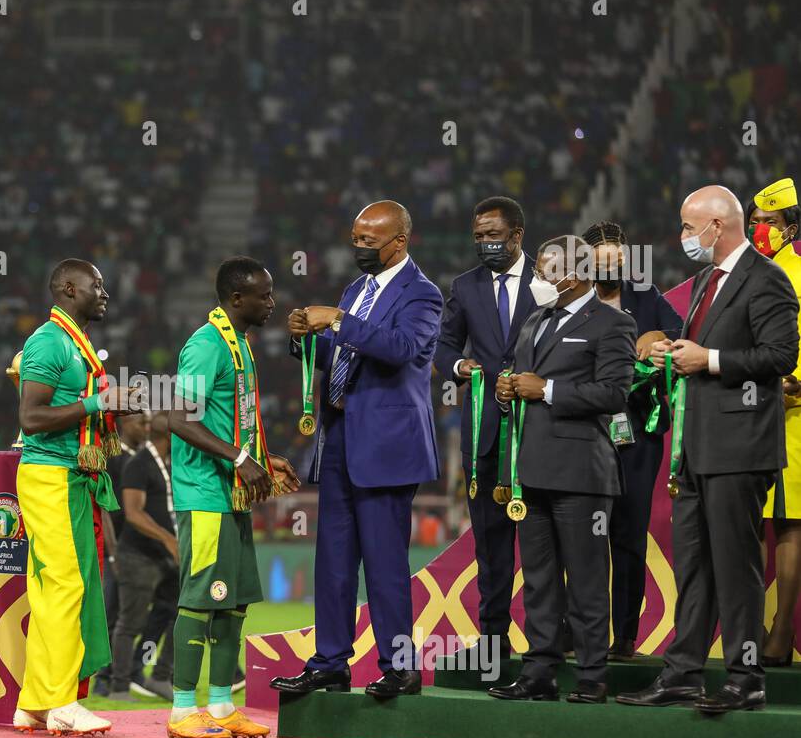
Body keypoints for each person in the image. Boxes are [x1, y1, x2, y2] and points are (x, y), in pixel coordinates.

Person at [618, 186, 800, 713]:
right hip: (696, 447)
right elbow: (700, 352)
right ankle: (683, 673)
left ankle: (746, 678)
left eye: (687, 226)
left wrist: (710, 359)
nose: (682, 237)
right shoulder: (704, 282)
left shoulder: (768, 280)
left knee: (737, 565)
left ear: (717, 228)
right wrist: (673, 354)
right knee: (693, 565)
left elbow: (780, 355)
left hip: (741, 448)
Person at [271, 201, 443, 699]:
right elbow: (343, 355)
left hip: (388, 446)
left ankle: (400, 667)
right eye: (356, 239)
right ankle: (330, 661)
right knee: (335, 558)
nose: (359, 248)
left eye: (370, 241)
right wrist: (307, 341)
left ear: (399, 242)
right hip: (340, 436)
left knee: (385, 561)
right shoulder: (357, 289)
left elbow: (403, 349)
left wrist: (341, 321)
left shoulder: (424, 295)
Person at [486, 236, 636, 703]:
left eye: (547, 272)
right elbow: (522, 378)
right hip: (531, 469)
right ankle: (538, 673)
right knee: (538, 579)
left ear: (576, 275)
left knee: (587, 578)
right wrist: (506, 390)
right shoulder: (536, 319)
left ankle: (592, 676)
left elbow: (615, 393)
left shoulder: (614, 323)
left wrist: (546, 389)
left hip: (582, 473)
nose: (538, 280)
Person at [165, 256, 300, 738]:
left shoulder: (238, 343)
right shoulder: (206, 345)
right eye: (264, 295)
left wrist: (264, 456)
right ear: (236, 299)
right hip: (205, 494)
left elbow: (230, 420)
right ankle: (183, 708)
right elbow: (180, 418)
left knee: (233, 603)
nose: (272, 302)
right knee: (200, 601)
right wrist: (239, 459)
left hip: (232, 496)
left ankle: (221, 705)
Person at [13, 259, 139, 735]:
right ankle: (62, 701)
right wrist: (96, 403)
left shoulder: (75, 343)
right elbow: (31, 417)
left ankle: (35, 702)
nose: (105, 292)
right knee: (65, 587)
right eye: (97, 285)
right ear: (69, 288)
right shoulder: (48, 340)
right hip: (52, 475)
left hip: (70, 476)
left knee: (53, 589)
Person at [435, 196, 536, 659]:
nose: (484, 244)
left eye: (492, 235)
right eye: (478, 236)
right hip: (487, 437)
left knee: (543, 547)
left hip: (543, 434)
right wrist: (459, 365)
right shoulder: (465, 286)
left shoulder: (551, 281)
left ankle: (546, 642)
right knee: (491, 548)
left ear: (516, 235)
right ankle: (492, 641)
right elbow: (442, 346)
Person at [584, 220, 683, 659]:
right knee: (579, 536)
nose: (613, 264)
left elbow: (682, 339)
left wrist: (659, 337)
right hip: (580, 433)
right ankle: (577, 631)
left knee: (628, 534)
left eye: (619, 257)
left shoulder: (646, 297)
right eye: (604, 257)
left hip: (636, 435)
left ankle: (624, 636)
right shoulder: (572, 299)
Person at [750, 178, 801, 666]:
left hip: (789, 421)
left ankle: (782, 630)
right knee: (746, 523)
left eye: (770, 223)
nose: (761, 230)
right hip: (745, 418)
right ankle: (754, 628)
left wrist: (792, 382)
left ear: (790, 228)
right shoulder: (748, 275)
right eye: (756, 223)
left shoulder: (797, 274)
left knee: (787, 524)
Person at [109, 412, 178, 700]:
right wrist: (169, 539)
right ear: (169, 436)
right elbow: (134, 513)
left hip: (166, 556)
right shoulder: (139, 464)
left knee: (181, 613)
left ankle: (160, 675)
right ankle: (120, 686)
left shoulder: (169, 464)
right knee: (130, 622)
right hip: (138, 556)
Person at [93, 411, 149, 696]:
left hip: (137, 550)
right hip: (117, 548)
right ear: (125, 424)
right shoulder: (114, 458)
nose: (146, 428)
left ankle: (131, 670)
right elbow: (103, 506)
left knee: (133, 614)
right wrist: (111, 552)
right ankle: (104, 678)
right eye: (141, 422)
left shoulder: (142, 459)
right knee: (112, 614)